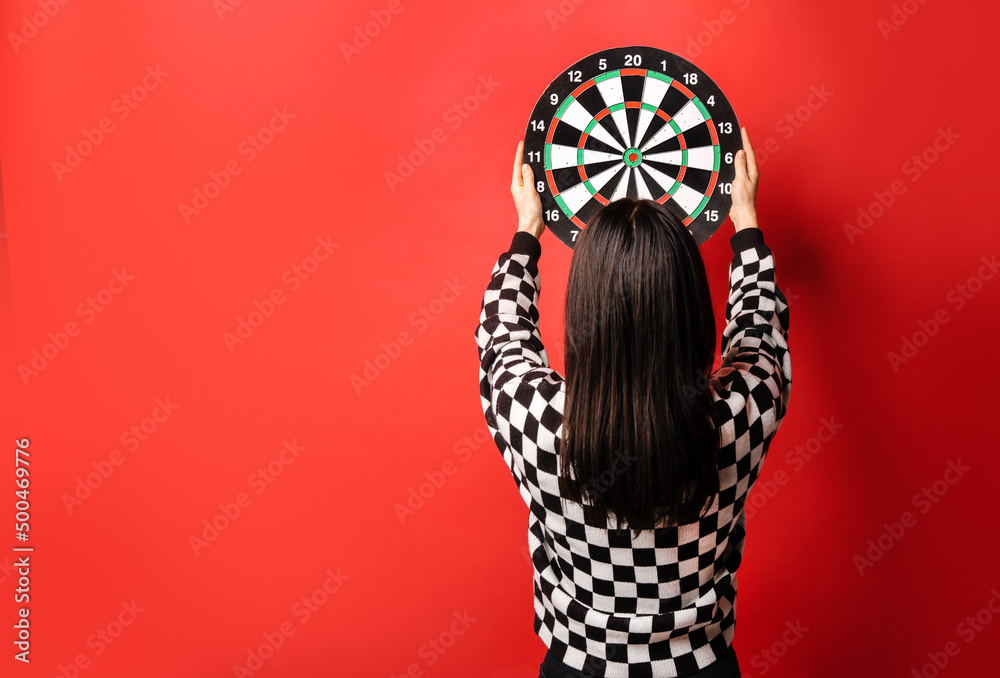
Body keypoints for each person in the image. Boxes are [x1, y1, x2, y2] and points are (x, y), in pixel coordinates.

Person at [474, 127, 791, 678]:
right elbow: (760, 333)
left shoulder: (537, 422)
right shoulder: (740, 417)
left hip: (579, 667)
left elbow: (503, 335)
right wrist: (746, 226)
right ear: (693, 310)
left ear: (584, 312)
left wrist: (528, 230)